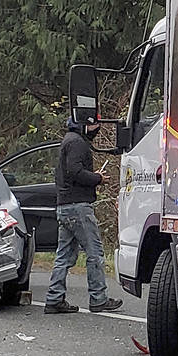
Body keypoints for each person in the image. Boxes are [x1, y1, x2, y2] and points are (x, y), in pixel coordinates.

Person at [43, 114, 122, 315]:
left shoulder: (68, 141)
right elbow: (75, 171)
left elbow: (67, 172)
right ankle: (98, 298)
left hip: (64, 205)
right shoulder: (78, 143)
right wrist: (98, 178)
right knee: (95, 253)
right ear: (83, 124)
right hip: (78, 206)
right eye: (94, 123)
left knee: (64, 256)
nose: (97, 128)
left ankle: (54, 298)